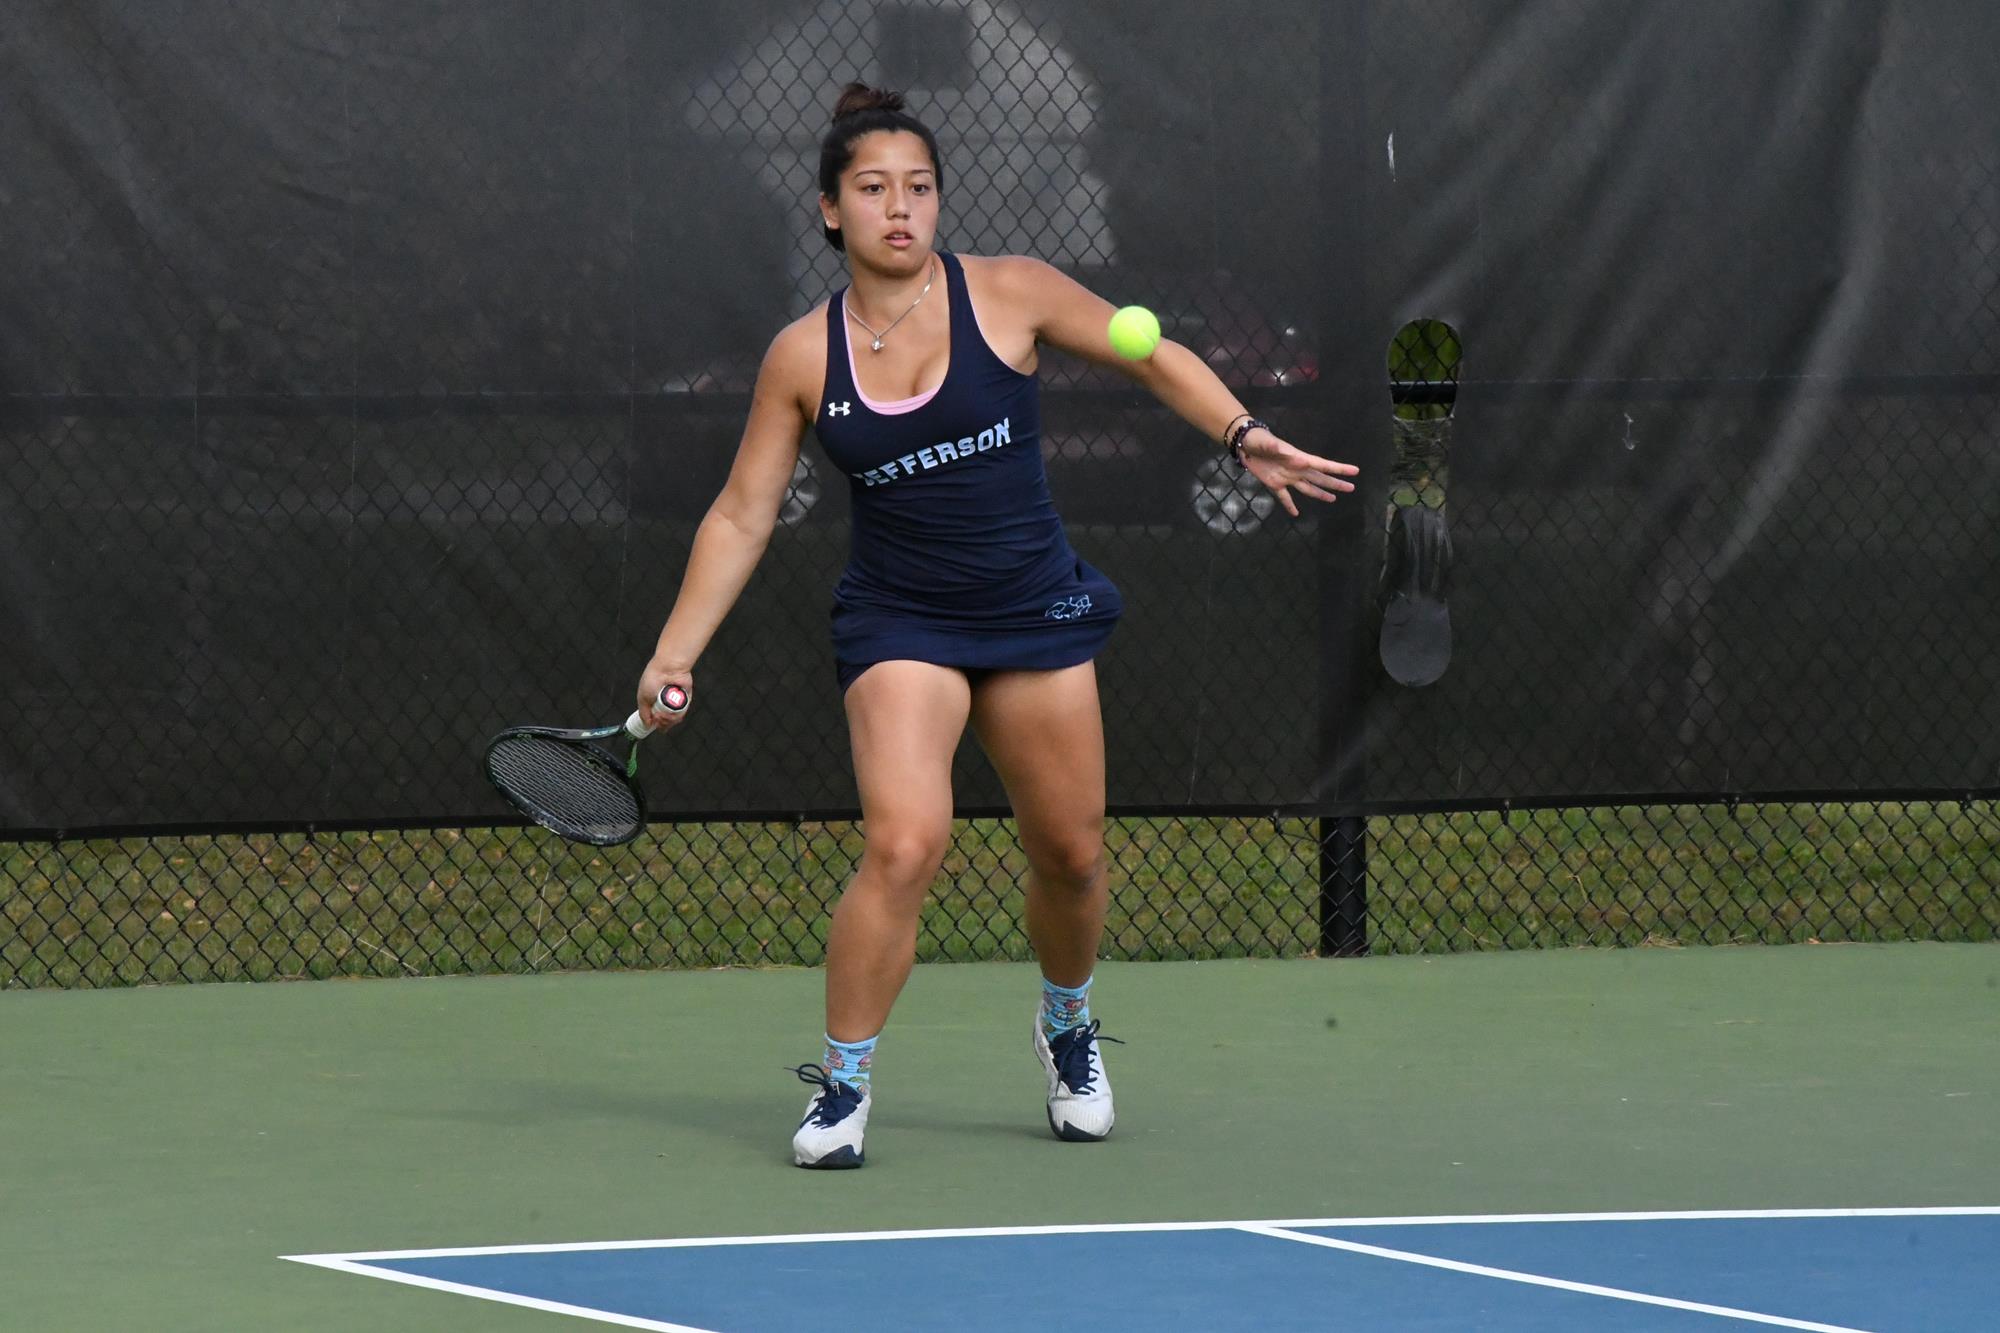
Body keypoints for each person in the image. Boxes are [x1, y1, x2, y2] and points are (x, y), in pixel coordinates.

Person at [635, 83, 1358, 1169]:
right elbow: (742, 511)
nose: (899, 209)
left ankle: (1066, 1025)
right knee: (904, 841)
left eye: (917, 188)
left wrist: (1239, 432)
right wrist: (673, 650)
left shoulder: (1011, 294)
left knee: (1068, 852)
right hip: (899, 622)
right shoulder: (802, 356)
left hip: (1029, 606)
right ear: (830, 209)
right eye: (872, 189)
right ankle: (843, 1086)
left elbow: (1149, 353)